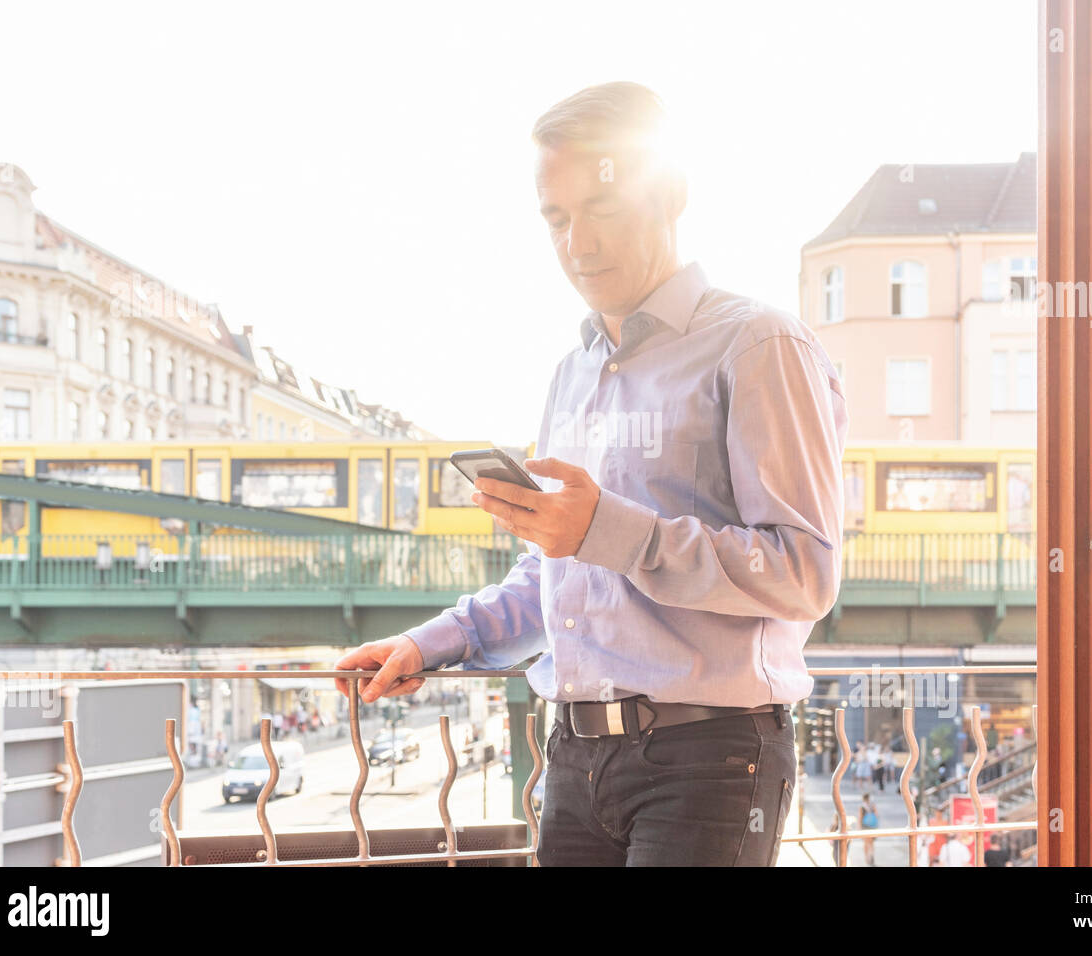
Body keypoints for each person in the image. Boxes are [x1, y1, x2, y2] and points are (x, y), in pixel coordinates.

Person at [334, 81, 848, 867]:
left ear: (671, 193)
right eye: (556, 217)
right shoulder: (570, 374)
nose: (579, 243)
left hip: (708, 757)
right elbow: (557, 577)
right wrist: (431, 643)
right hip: (573, 759)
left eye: (602, 208)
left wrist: (605, 530)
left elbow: (804, 572)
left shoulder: (759, 344)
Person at [858, 792, 879, 865]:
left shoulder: (862, 807)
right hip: (872, 826)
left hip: (865, 826)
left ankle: (866, 858)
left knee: (866, 843)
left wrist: (859, 827)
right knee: (871, 843)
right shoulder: (873, 806)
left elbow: (860, 818)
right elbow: (876, 815)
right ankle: (871, 855)